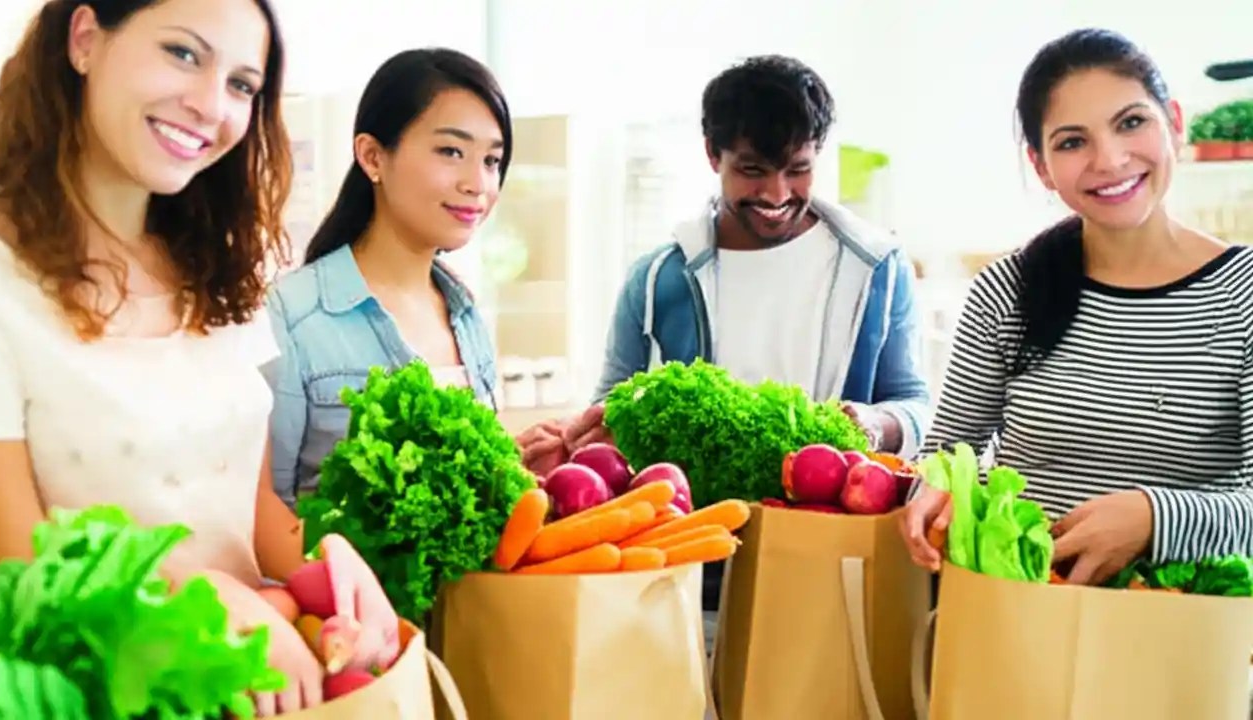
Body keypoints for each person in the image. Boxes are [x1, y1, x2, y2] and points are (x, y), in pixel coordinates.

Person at [0, 1, 389, 713]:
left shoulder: (222, 275)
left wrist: (333, 566)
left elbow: (250, 512)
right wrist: (195, 597)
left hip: (250, 684)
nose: (210, 106)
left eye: (242, 85)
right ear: (83, 40)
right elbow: (11, 567)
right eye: (183, 54)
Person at [902, 28, 1253, 587]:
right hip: (1020, 619)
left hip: (1181, 631)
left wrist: (1152, 518)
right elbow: (949, 452)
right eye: (1072, 142)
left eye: (1131, 122)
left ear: (1176, 124)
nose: (1110, 159)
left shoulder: (1242, 295)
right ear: (1041, 167)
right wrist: (934, 492)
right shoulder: (1006, 291)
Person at [568, 54, 931, 459]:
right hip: (696, 521)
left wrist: (876, 425)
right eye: (753, 170)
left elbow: (916, 404)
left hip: (831, 519)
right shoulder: (656, 279)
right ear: (712, 154)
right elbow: (607, 410)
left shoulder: (876, 268)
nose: (777, 195)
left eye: (797, 170)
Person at [263, 48, 565, 506]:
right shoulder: (291, 317)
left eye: (491, 161)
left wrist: (512, 463)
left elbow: (453, 497)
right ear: (372, 157)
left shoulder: (464, 313)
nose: (478, 184)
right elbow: (266, 518)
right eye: (451, 151)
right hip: (336, 581)